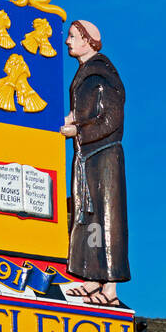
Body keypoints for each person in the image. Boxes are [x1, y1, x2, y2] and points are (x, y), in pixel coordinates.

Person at [60, 19, 129, 305]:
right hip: (87, 155)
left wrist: (79, 130)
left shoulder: (103, 74)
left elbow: (112, 119)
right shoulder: (84, 74)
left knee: (107, 215)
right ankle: (90, 277)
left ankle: (109, 287)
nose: (67, 41)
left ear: (88, 41)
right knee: (86, 213)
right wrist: (69, 120)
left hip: (105, 154)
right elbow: (81, 112)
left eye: (73, 36)